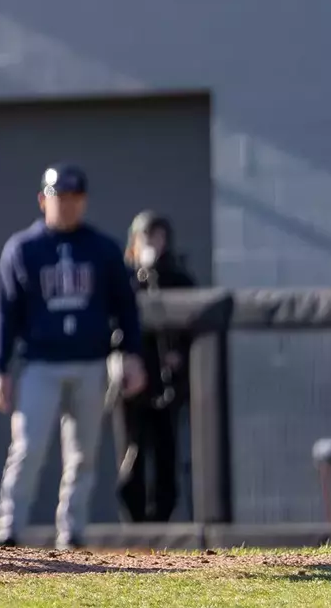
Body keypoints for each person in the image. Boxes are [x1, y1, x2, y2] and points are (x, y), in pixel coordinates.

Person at [0, 163, 147, 550]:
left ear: (84, 201)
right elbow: (3, 312)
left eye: (75, 197)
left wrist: (132, 354)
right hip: (40, 364)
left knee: (83, 455)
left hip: (90, 363)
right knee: (28, 449)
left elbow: (126, 308)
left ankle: (72, 533)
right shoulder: (23, 248)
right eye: (60, 196)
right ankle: (9, 531)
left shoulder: (102, 248)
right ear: (43, 200)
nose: (68, 204)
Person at [112, 210, 196, 524]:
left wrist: (179, 355)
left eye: (158, 236)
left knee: (165, 455)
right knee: (131, 455)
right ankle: (134, 524)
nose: (152, 242)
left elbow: (194, 329)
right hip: (132, 383)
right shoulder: (124, 280)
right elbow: (112, 325)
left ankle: (162, 523)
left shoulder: (180, 280)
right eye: (145, 236)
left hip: (167, 383)